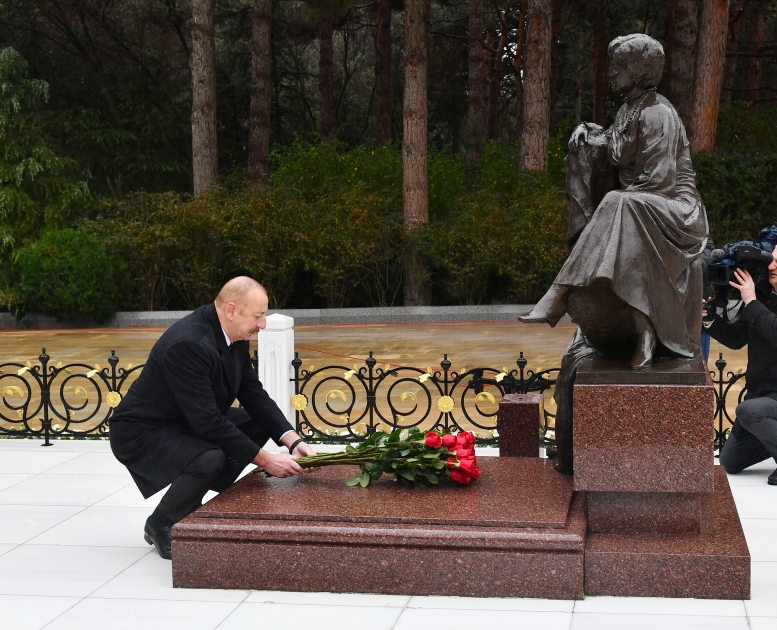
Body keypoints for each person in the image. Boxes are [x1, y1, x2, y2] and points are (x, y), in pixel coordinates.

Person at [519, 34, 708, 474]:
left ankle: (561, 292)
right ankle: (635, 324)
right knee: (619, 204)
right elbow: (617, 148)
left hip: (677, 211)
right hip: (642, 206)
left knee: (619, 203)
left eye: (618, 66)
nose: (610, 74)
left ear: (639, 70)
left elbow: (658, 182)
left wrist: (614, 182)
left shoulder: (659, 113)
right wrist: (594, 137)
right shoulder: (630, 108)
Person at [109, 276, 316, 558]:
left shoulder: (234, 334)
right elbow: (207, 422)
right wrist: (267, 461)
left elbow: (253, 394)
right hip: (143, 430)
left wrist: (292, 440)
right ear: (231, 310)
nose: (262, 324)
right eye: (258, 316)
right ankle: (159, 524)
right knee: (209, 457)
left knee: (253, 425)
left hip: (184, 417)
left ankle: (194, 498)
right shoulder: (189, 344)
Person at [703, 258, 777, 486]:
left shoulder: (755, 299)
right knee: (730, 461)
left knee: (749, 411)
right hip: (763, 397)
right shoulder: (763, 296)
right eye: (772, 260)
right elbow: (736, 338)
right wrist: (709, 319)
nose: (772, 266)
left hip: (766, 403)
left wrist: (752, 301)